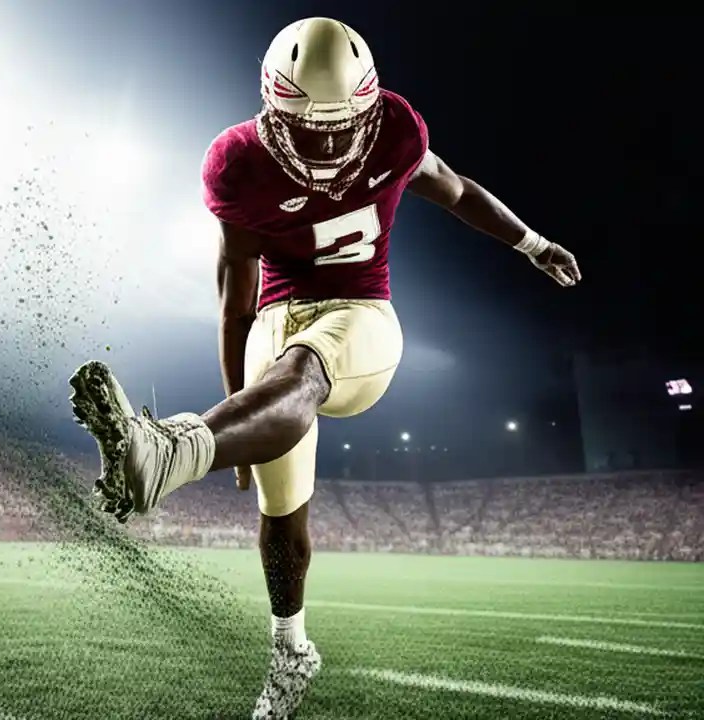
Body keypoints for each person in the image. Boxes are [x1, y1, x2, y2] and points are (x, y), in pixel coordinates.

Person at [67, 16, 580, 719]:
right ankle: (291, 650)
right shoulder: (239, 163)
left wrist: (533, 243)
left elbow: (456, 190)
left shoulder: (397, 130)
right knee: (281, 514)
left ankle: (170, 451)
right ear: (274, 109)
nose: (335, 144)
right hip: (276, 322)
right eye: (315, 131)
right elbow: (235, 304)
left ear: (371, 103)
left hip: (361, 315)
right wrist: (238, 412)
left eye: (346, 127)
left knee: (307, 366)